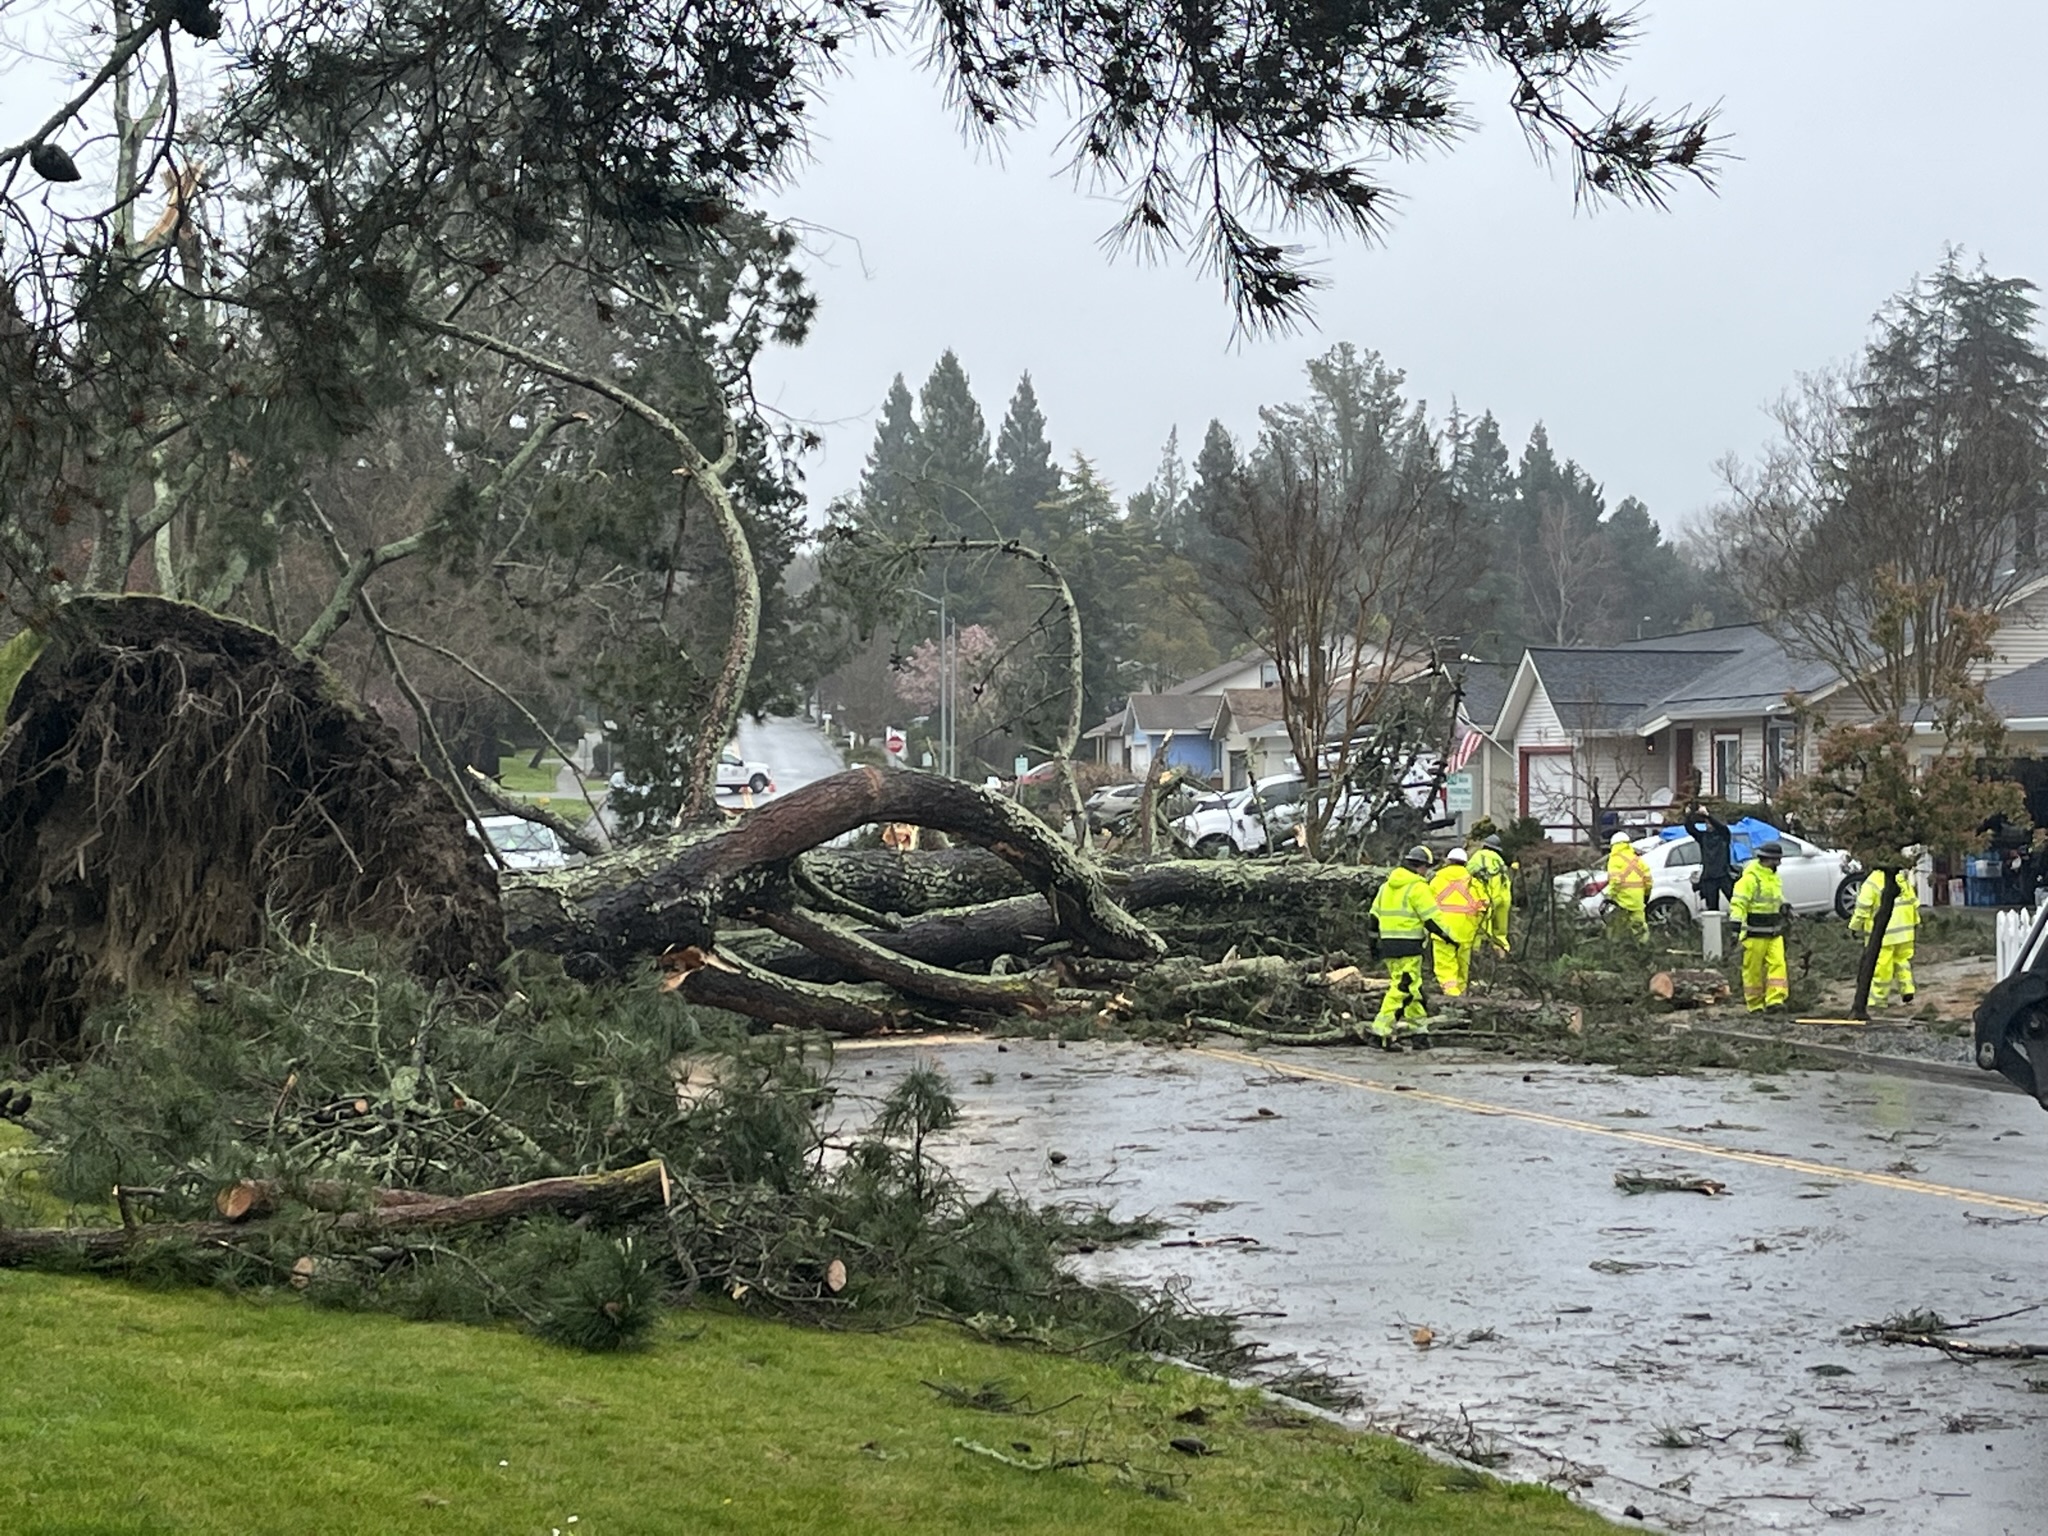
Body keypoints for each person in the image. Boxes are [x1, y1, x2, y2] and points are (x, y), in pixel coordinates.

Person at [1369, 845, 1454, 1044]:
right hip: (1409, 946)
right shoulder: (1418, 887)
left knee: (1411, 987)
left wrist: (1373, 946)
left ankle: (1419, 1033)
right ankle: (1380, 1031)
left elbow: (1373, 918)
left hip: (1388, 946)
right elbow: (1432, 919)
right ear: (1421, 867)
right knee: (1403, 988)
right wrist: (1450, 937)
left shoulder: (1386, 887)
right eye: (1427, 867)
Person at [1729, 839, 1790, 1012]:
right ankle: (1755, 1004)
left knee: (1778, 964)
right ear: (1769, 859)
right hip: (1754, 932)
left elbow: (1776, 897)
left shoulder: (1773, 877)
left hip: (1774, 931)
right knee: (1753, 969)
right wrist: (1735, 927)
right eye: (1777, 859)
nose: (1779, 863)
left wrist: (1784, 905)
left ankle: (1775, 1000)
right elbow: (1738, 904)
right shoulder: (1750, 878)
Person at [1849, 859, 1919, 1009]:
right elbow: (1913, 901)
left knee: (1881, 968)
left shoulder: (1871, 882)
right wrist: (1915, 922)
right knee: (1902, 960)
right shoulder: (1900, 878)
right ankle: (1907, 989)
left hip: (1885, 935)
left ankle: (1878, 1000)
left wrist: (1854, 927)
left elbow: (1863, 908)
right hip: (1906, 931)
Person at [1429, 848, 1489, 998]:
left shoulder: (1437, 881)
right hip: (1466, 930)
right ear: (1465, 863)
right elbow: (1484, 907)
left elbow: (1426, 905)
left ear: (1448, 861)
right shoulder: (1474, 882)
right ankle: (1461, 993)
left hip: (1442, 930)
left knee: (1445, 965)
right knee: (1463, 965)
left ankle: (1451, 994)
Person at [1682, 801, 1734, 914]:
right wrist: (1688, 815)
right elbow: (1690, 829)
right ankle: (1714, 930)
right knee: (1712, 909)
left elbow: (1721, 827)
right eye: (1706, 824)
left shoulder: (1724, 835)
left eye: (1710, 823)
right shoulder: (1703, 837)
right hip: (1709, 877)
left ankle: (1738, 925)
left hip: (1723, 875)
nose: (1708, 825)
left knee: (1735, 902)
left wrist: (1707, 815)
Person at [1467, 834, 1513, 955]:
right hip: (1504, 897)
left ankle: (1477, 956)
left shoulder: (1478, 857)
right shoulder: (1500, 860)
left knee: (1480, 929)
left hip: (1487, 897)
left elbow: (1466, 875)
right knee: (1500, 932)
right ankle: (1502, 954)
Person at [1605, 830, 1652, 942]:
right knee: (1639, 926)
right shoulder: (1637, 860)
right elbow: (1648, 880)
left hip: (1622, 899)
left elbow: (1615, 881)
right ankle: (1643, 948)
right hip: (1637, 899)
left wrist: (1609, 895)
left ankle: (1617, 948)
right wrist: (1646, 894)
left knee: (1617, 927)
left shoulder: (1614, 859)